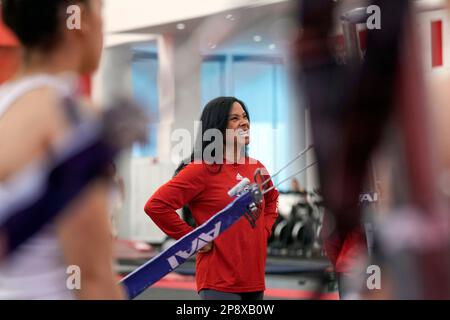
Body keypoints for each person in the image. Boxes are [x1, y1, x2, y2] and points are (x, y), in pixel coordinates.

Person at [0, 0, 124, 299]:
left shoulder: (6, 104)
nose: (102, 26)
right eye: (100, 13)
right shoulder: (69, 117)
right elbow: (92, 277)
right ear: (78, 19)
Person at [144, 97, 279, 300]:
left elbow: (272, 200)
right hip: (219, 282)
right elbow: (156, 206)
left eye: (244, 116)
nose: (244, 122)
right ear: (217, 128)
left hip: (254, 280)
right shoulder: (202, 168)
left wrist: (265, 229)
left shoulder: (256, 166)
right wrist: (193, 240)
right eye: (234, 118)